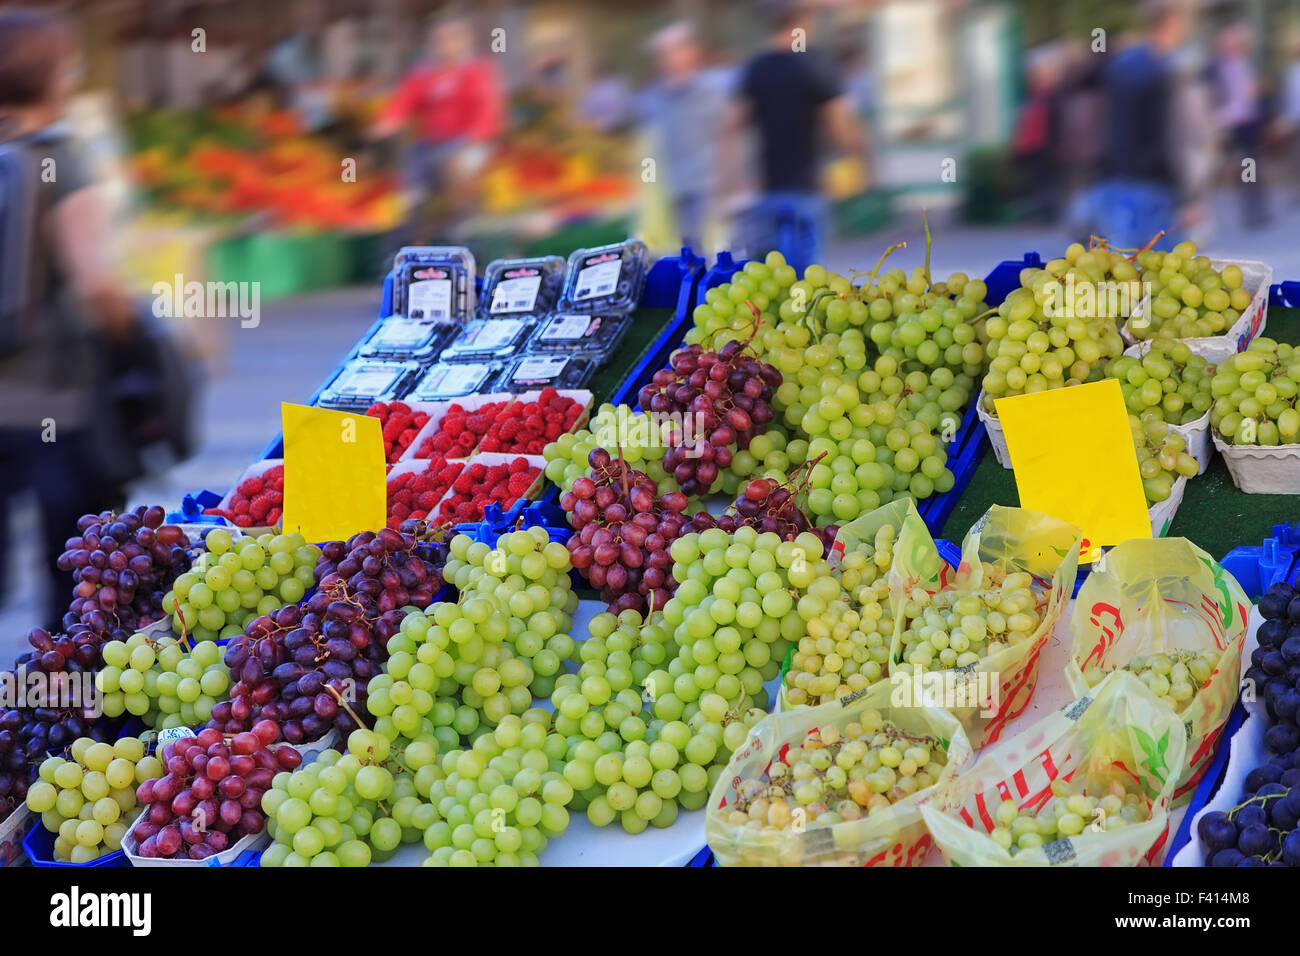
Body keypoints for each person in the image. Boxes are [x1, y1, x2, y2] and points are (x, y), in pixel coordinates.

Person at [0, 8, 135, 630]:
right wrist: (136, 341)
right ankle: (56, 711)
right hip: (57, 407)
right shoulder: (62, 158)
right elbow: (96, 282)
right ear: (53, 76)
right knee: (74, 585)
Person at [723, 0, 868, 275]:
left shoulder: (757, 67)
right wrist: (861, 162)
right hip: (807, 190)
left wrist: (730, 188)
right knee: (806, 280)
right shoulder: (817, 64)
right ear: (804, 22)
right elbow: (841, 128)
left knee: (768, 279)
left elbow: (730, 129)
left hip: (768, 191)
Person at [372, 12, 503, 240]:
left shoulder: (478, 71)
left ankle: (461, 225)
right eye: (439, 40)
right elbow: (403, 102)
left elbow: (487, 112)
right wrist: (387, 122)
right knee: (411, 174)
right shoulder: (424, 74)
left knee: (456, 165)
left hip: (469, 142)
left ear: (463, 41)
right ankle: (413, 234)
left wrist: (470, 141)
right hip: (431, 144)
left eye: (450, 39)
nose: (444, 45)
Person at [1085, 0, 1194, 251]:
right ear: (1171, 26)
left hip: (1116, 175)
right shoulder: (1161, 72)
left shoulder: (1121, 64)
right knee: (1163, 267)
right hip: (1153, 183)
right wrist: (1187, 195)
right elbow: (1167, 136)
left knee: (1123, 264)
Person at [640, 22, 729, 251]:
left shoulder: (714, 90)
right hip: (672, 186)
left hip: (708, 185)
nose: (667, 58)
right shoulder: (654, 97)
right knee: (685, 254)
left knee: (713, 255)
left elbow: (729, 135)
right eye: (662, 53)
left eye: (673, 50)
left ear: (691, 52)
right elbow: (648, 148)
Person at [1212, 23, 1268, 227]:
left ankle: (1254, 209)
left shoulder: (1245, 64)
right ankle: (1251, 208)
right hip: (1231, 124)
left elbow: (1250, 95)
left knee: (1249, 168)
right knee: (1242, 169)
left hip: (1248, 125)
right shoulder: (1218, 67)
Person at [1013, 45, 1063, 222]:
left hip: (1043, 147)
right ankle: (1037, 214)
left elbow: (1056, 122)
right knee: (1034, 184)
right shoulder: (1034, 95)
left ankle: (1044, 215)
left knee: (1044, 184)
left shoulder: (1053, 95)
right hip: (1031, 148)